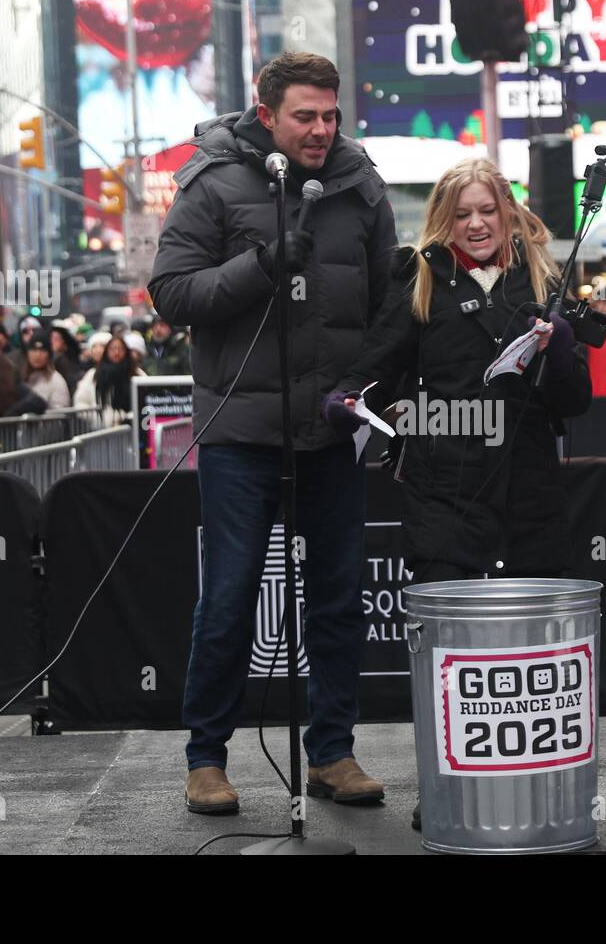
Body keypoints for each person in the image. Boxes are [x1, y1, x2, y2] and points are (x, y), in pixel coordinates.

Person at [147, 51, 397, 815]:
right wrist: (258, 266)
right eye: (305, 117)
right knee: (227, 597)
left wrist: (371, 393)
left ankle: (332, 753)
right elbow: (170, 293)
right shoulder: (212, 181)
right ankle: (206, 759)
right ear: (267, 116)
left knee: (338, 598)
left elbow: (388, 304)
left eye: (330, 115)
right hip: (241, 431)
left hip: (330, 428)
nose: (321, 130)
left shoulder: (360, 183)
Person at [328, 158, 590, 830]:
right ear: (445, 220)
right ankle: (447, 787)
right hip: (443, 483)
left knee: (535, 647)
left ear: (506, 213)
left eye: (487, 211)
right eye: (462, 214)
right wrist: (347, 396)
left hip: (529, 481)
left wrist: (558, 346)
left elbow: (576, 398)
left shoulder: (545, 276)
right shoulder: (417, 274)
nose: (477, 224)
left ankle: (538, 783)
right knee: (449, 647)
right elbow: (381, 359)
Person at [74, 334, 144, 425]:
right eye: (112, 348)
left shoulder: (137, 374)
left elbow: (146, 401)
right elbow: (80, 403)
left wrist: (129, 418)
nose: (116, 352)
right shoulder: (93, 375)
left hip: (130, 429)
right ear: (106, 351)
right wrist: (98, 419)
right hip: (99, 431)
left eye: (121, 349)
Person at [21, 330, 72, 409]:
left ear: (49, 355)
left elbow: (60, 413)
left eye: (42, 350)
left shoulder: (56, 380)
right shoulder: (23, 378)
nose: (38, 355)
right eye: (34, 350)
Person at [48, 324, 85, 394]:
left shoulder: (63, 360)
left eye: (56, 339)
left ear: (65, 343)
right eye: (50, 338)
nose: (52, 341)